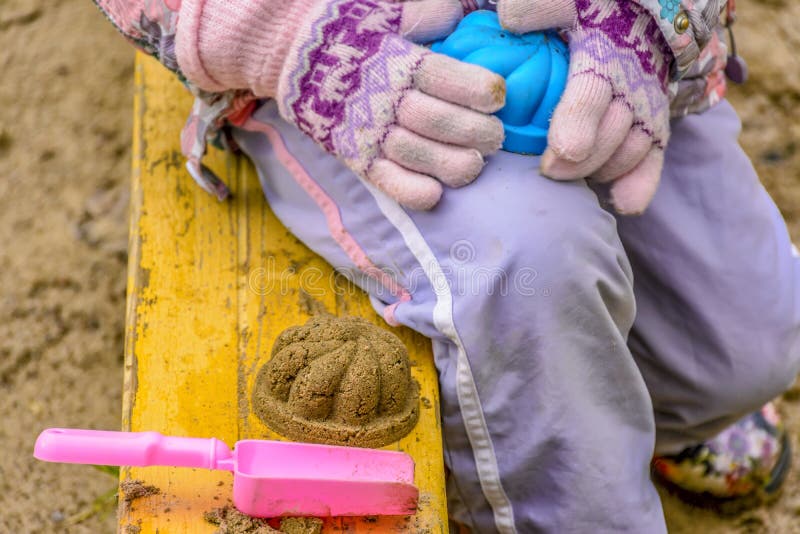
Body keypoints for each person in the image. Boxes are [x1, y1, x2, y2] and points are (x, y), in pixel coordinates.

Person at [92, 0, 800, 531]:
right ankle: (552, 503)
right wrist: (278, 32)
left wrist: (657, 17)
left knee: (746, 345)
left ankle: (636, 419)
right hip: (345, 53)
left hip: (604, 30)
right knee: (526, 257)